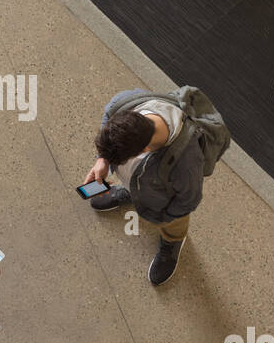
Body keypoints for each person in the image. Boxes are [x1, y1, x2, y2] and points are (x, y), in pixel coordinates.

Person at [83, 87, 228, 286]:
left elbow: (188, 200)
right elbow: (109, 115)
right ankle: (132, 194)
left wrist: (162, 217)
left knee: (173, 225)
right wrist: (102, 160)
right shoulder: (127, 103)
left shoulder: (186, 162)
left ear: (144, 151)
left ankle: (173, 241)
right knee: (141, 184)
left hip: (164, 203)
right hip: (142, 184)